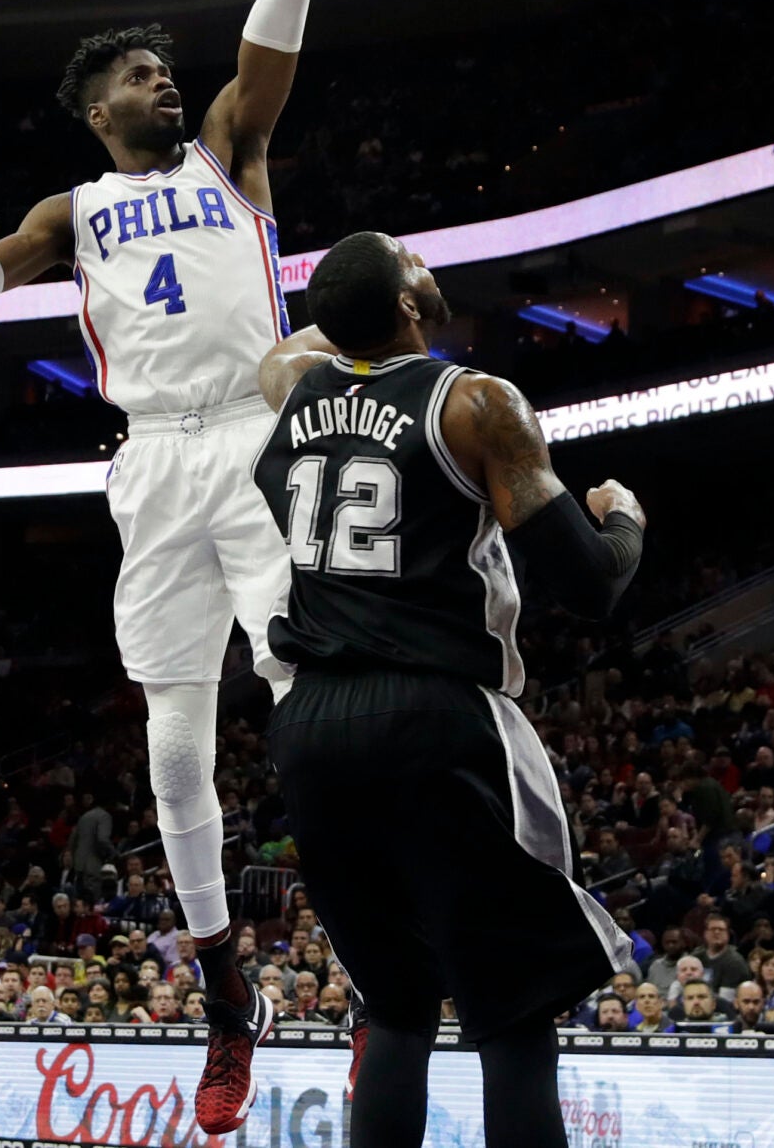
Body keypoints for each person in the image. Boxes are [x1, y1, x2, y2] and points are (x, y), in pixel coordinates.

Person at [0, 0, 331, 1137]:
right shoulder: (71, 206)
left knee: (307, 693)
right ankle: (225, 986)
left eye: (163, 65)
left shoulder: (231, 144)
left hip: (257, 435)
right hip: (149, 462)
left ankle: (377, 908)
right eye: (138, 72)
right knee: (171, 752)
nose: (165, 75)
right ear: (97, 107)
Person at [252, 233, 644, 1148]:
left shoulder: (289, 388)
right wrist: (624, 517)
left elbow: (301, 343)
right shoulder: (474, 402)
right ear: (405, 305)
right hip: (435, 713)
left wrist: (353, 307)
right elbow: (591, 586)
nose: (428, 264)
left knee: (395, 1009)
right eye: (411, 261)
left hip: (311, 723)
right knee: (511, 1017)